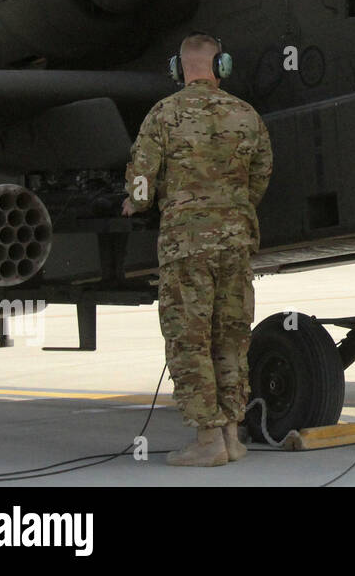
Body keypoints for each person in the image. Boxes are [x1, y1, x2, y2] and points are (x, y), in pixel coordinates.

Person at [123, 33, 273, 467]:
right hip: (236, 241)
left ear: (178, 69)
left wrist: (135, 201)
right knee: (230, 337)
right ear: (221, 66)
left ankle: (207, 438)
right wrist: (232, 209)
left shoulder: (163, 115)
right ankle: (231, 434)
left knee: (189, 339)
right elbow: (261, 175)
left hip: (186, 245)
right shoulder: (246, 116)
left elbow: (142, 184)